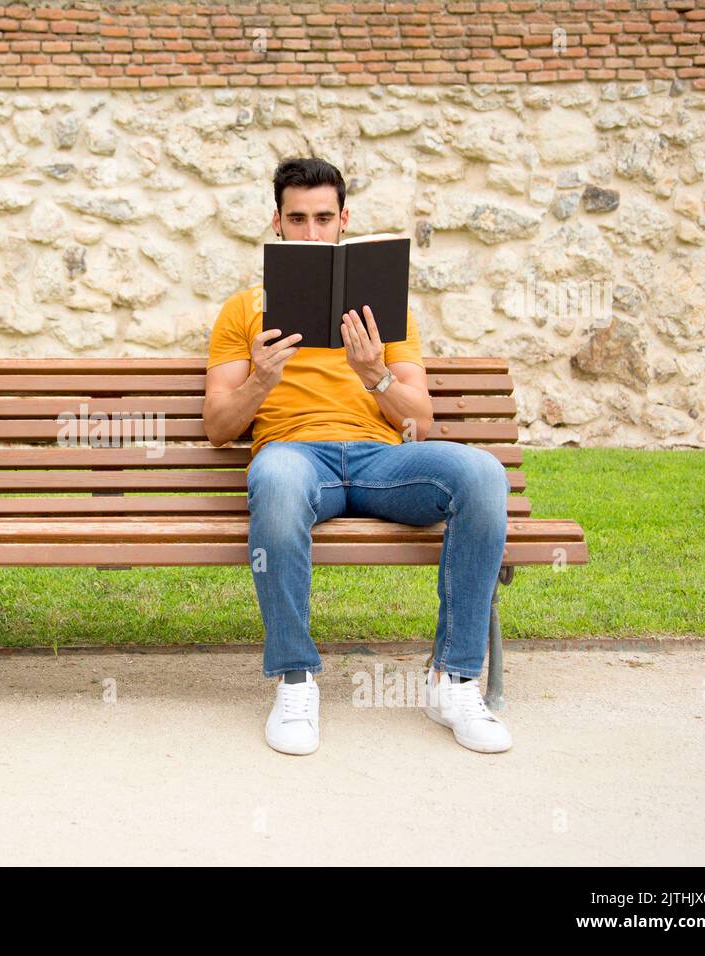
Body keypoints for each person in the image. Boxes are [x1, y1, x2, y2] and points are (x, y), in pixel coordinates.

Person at [203, 157, 513, 756]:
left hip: (381, 462)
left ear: (345, 220)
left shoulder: (384, 307)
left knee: (481, 473)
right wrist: (260, 383)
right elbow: (219, 427)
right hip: (296, 457)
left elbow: (419, 422)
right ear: (277, 223)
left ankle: (454, 681)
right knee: (275, 476)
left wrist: (373, 373)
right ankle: (296, 681)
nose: (313, 233)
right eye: (298, 220)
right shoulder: (243, 309)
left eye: (324, 218)